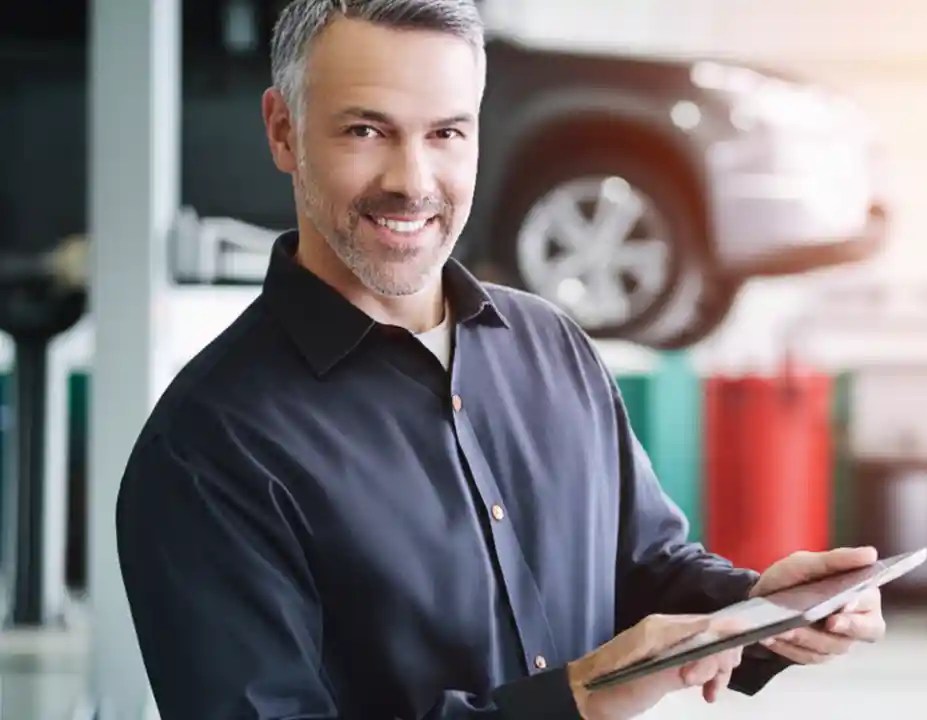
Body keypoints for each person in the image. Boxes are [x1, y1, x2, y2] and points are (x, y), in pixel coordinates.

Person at [114, 1, 887, 718]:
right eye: (366, 132)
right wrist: (574, 700)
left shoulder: (551, 347)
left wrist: (759, 608)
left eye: (446, 133)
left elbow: (645, 564)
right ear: (283, 131)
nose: (412, 182)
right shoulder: (210, 449)